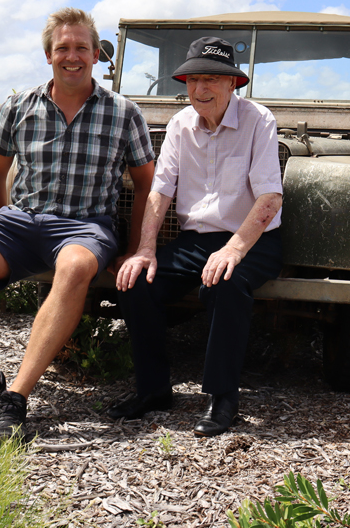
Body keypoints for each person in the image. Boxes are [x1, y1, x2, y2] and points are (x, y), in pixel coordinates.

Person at [0, 7, 155, 441]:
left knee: (75, 266)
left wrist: (133, 248)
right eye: (62, 48)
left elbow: (146, 184)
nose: (72, 56)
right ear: (49, 55)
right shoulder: (19, 106)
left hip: (85, 226)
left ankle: (14, 397)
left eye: (82, 48)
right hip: (21, 220)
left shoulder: (123, 112)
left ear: (96, 55)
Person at [111, 36, 283, 437]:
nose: (200, 89)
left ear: (232, 83)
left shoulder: (259, 120)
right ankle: (153, 390)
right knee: (136, 282)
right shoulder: (179, 124)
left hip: (252, 241)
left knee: (225, 282)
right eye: (192, 80)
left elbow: (270, 197)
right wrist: (145, 250)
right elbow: (160, 190)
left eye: (211, 79)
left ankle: (223, 398)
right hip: (196, 241)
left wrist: (233, 249)